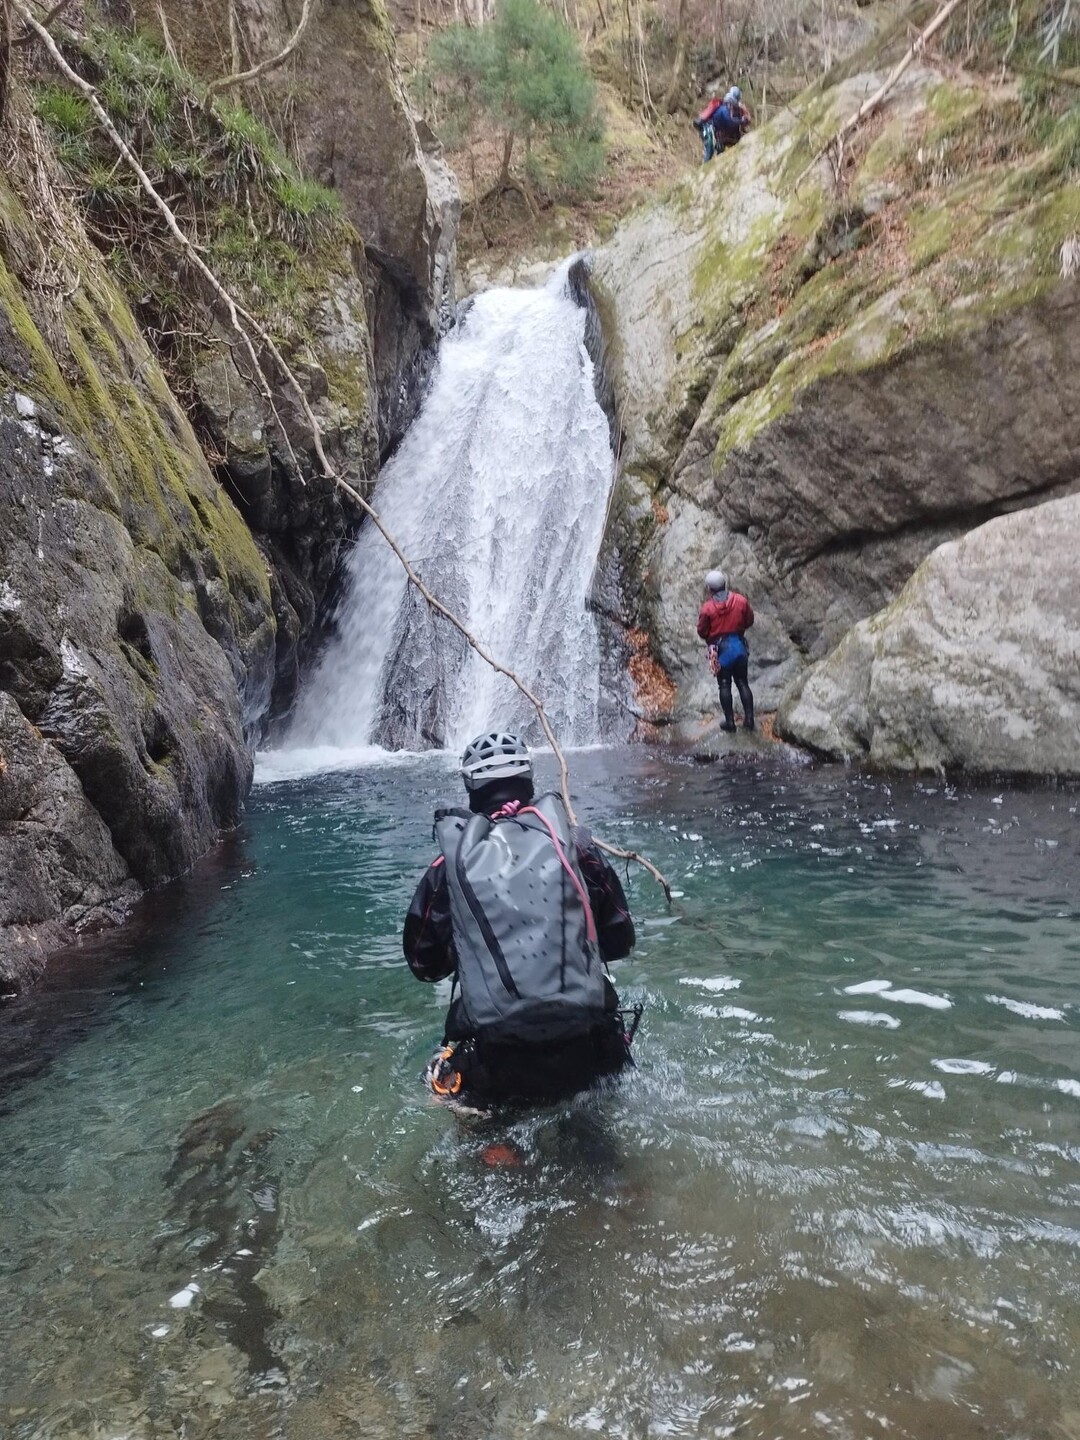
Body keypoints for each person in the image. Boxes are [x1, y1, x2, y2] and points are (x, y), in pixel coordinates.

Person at [403, 730, 637, 1113]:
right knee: (596, 1154)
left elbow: (424, 965)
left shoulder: (450, 866)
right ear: (528, 782)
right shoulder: (576, 848)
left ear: (471, 789)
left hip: (498, 1060)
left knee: (490, 1150)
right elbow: (620, 940)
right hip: (586, 1048)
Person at [696, 569, 755, 732]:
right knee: (743, 682)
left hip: (721, 650)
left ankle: (730, 722)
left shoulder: (707, 609)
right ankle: (749, 720)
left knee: (724, 685)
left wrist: (712, 636)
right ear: (724, 584)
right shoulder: (741, 600)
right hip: (739, 646)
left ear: (710, 589)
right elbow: (749, 620)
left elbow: (701, 631)